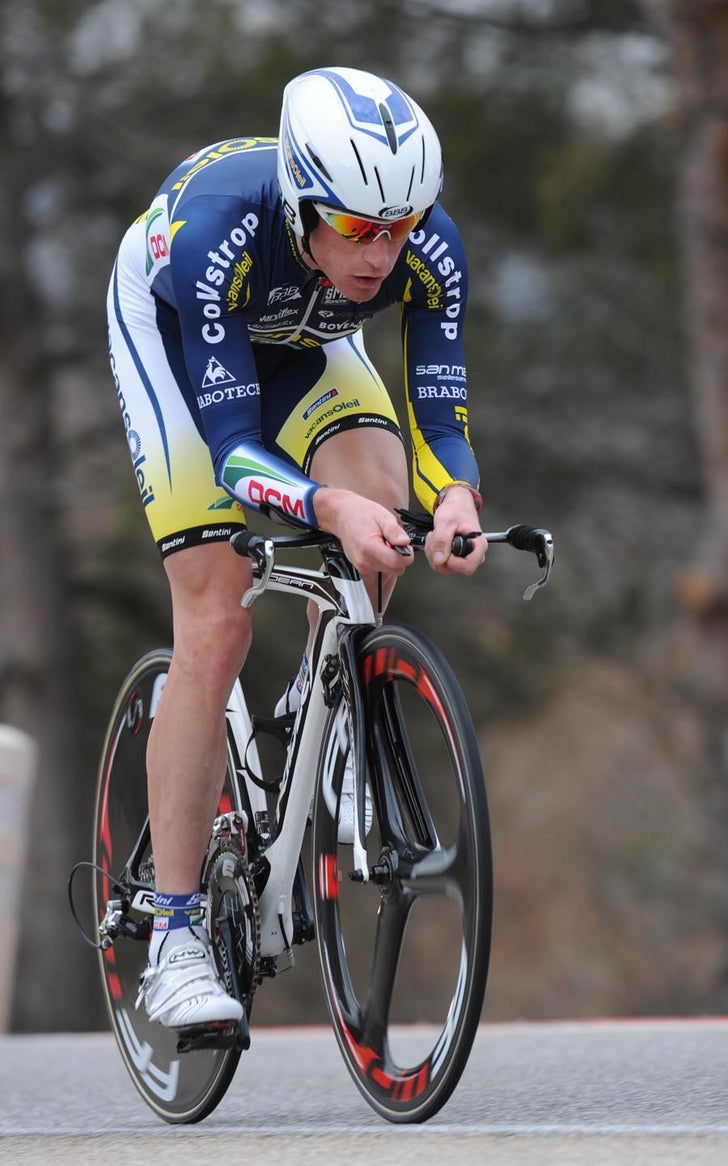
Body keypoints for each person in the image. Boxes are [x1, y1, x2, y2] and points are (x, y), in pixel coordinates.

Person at [107, 65, 487, 1034]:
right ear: (304, 201)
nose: (384, 252)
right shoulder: (216, 234)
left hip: (302, 336)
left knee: (385, 507)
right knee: (217, 619)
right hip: (184, 345)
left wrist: (456, 502)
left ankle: (338, 718)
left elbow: (438, 418)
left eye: (400, 227)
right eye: (359, 230)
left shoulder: (419, 245)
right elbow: (233, 453)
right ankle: (176, 937)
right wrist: (321, 502)